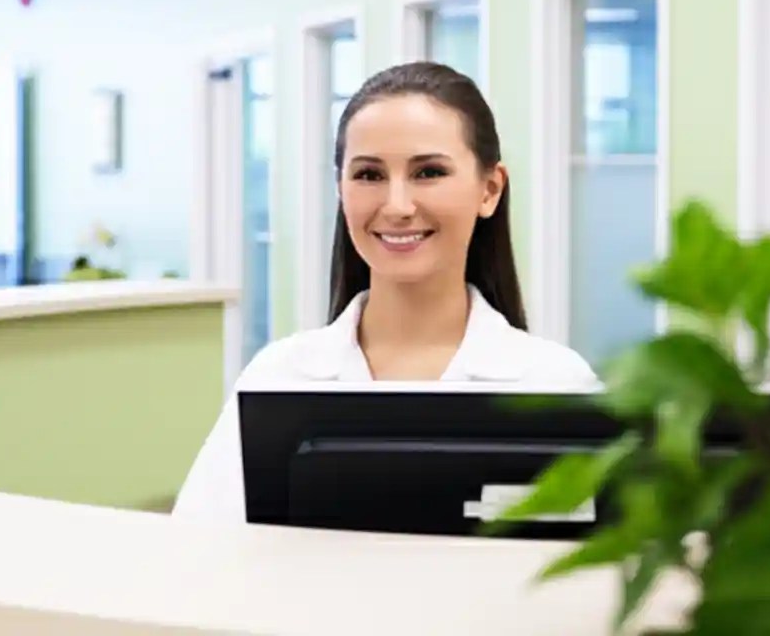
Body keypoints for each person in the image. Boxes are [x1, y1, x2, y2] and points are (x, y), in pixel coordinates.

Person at [172, 62, 599, 522]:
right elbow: (197, 544)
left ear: (489, 190)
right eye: (369, 175)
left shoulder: (556, 383)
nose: (397, 206)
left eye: (429, 172)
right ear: (341, 189)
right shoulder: (278, 377)